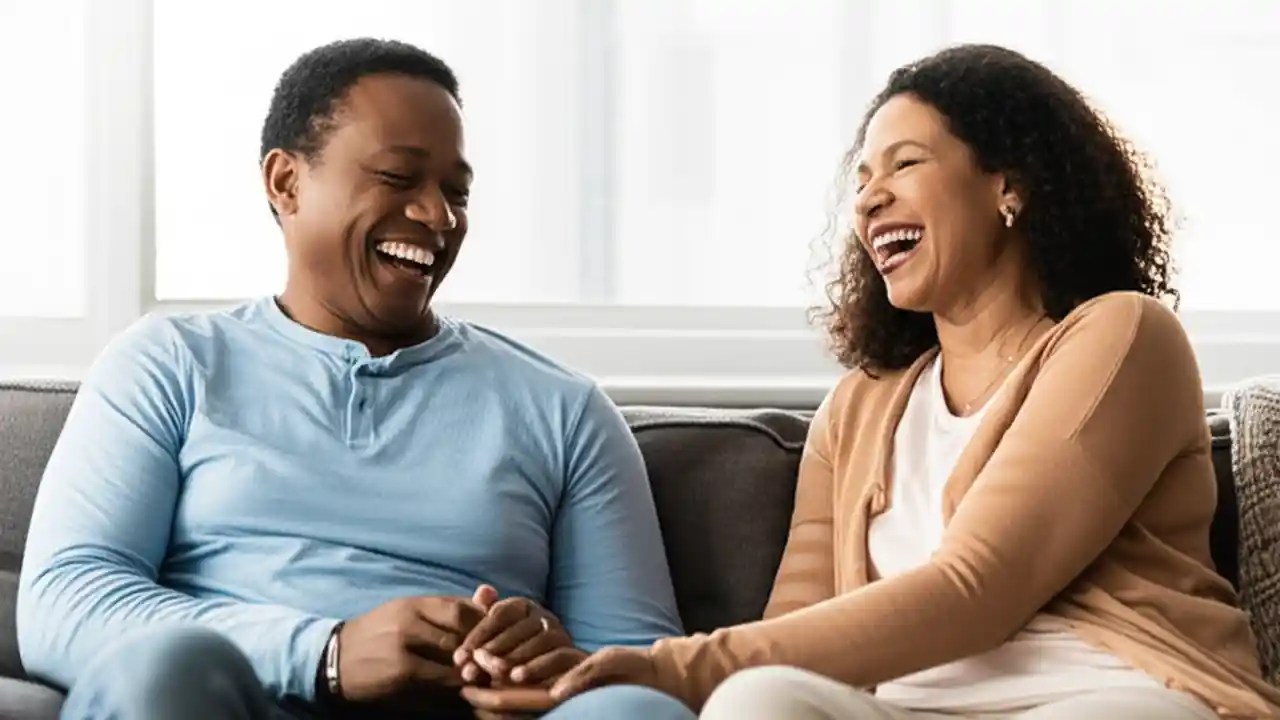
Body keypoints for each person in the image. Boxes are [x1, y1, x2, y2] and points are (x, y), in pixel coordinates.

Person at [545, 44, 1280, 719]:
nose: (867, 200)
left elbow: (978, 587)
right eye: (862, 181)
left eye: (904, 165)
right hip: (907, 709)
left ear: (1009, 185)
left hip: (1107, 692)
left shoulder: (1123, 338)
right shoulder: (857, 409)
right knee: (755, 699)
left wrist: (673, 667)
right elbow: (790, 630)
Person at [17, 38, 693, 720]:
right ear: (286, 183)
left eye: (456, 191)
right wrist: (327, 652)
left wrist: (556, 663)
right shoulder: (168, 364)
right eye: (399, 179)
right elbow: (68, 601)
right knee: (168, 666)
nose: (440, 216)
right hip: (234, 703)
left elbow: (642, 663)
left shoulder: (563, 410)